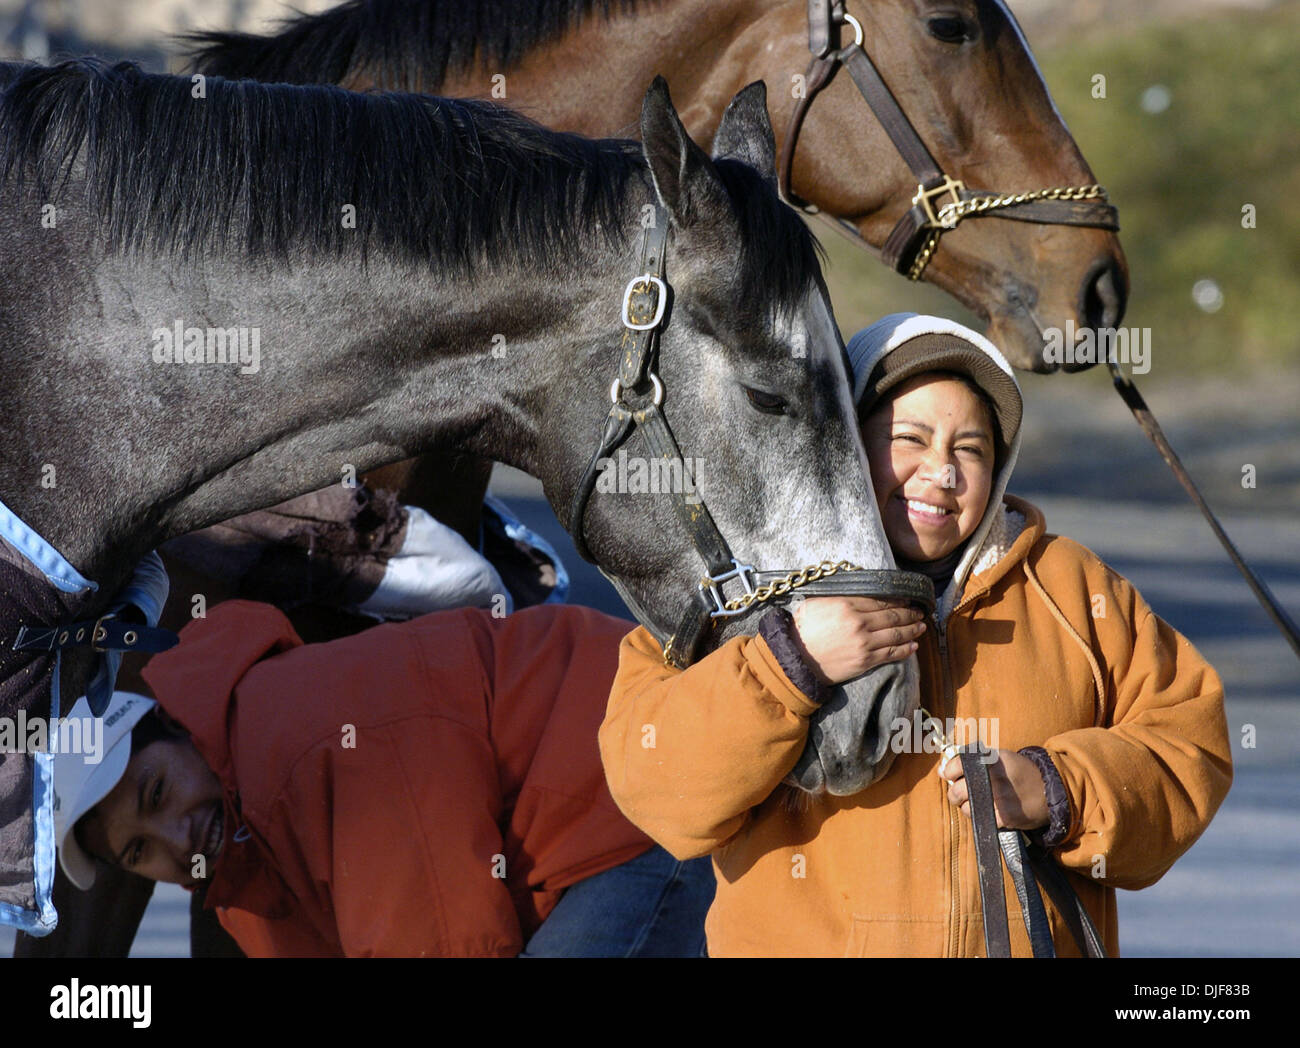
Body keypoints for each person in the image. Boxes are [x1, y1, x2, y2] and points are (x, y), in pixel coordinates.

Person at [598, 312, 1233, 957]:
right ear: (845, 443)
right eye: (911, 438)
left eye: (971, 449)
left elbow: (1190, 747)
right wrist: (788, 663)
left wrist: (1056, 788)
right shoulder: (738, 587)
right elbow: (656, 789)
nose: (942, 472)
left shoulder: (1071, 588)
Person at [53, 600, 714, 957]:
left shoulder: (294, 744)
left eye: (157, 793)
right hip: (573, 847)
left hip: (643, 796)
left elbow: (451, 943)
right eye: (139, 851)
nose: (177, 838)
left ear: (185, 733)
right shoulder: (242, 874)